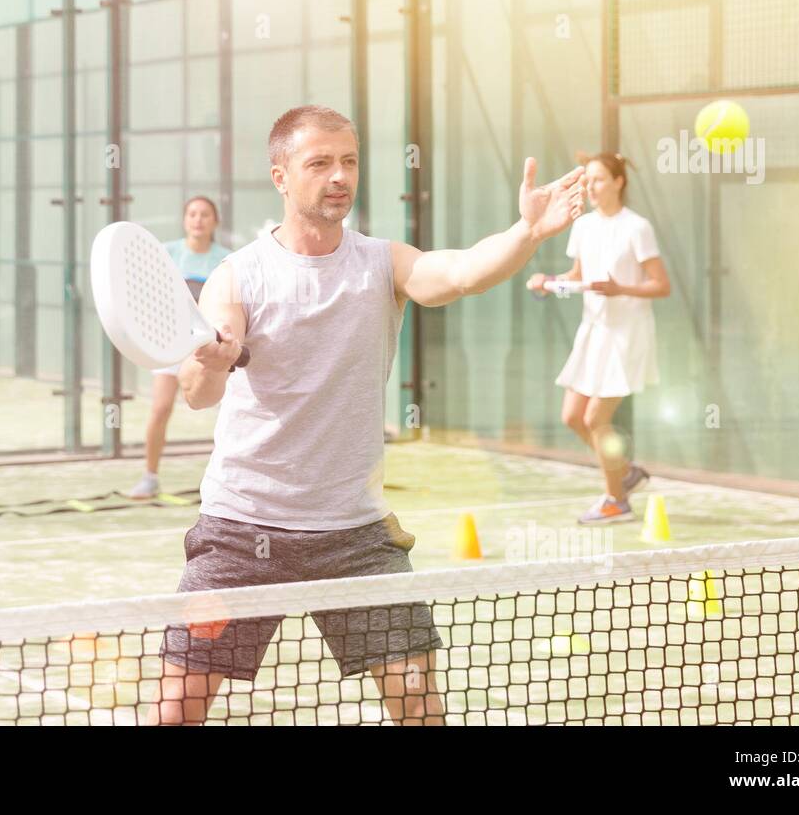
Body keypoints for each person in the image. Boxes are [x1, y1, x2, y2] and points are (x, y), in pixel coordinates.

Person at [148, 105, 588, 724]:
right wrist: (214, 359)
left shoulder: (383, 262)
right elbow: (197, 392)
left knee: (416, 701)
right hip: (242, 530)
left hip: (355, 535)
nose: (339, 176)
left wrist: (527, 233)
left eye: (349, 161)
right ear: (280, 177)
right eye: (319, 162)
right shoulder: (239, 274)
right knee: (176, 710)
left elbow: (460, 274)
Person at [526, 152, 671, 525]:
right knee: (573, 415)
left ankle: (616, 500)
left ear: (619, 182)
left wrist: (621, 287)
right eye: (587, 181)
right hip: (593, 332)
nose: (590, 187)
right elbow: (577, 275)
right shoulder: (584, 226)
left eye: (599, 180)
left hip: (628, 336)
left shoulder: (637, 227)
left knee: (595, 419)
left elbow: (661, 285)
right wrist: (548, 282)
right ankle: (623, 471)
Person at [128, 197, 232, 500]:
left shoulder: (226, 260)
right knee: (160, 408)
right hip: (170, 343)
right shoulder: (167, 253)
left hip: (208, 347)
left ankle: (228, 483)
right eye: (192, 214)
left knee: (229, 412)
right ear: (185, 220)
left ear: (215, 221)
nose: (198, 220)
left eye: (205, 215)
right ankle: (150, 477)